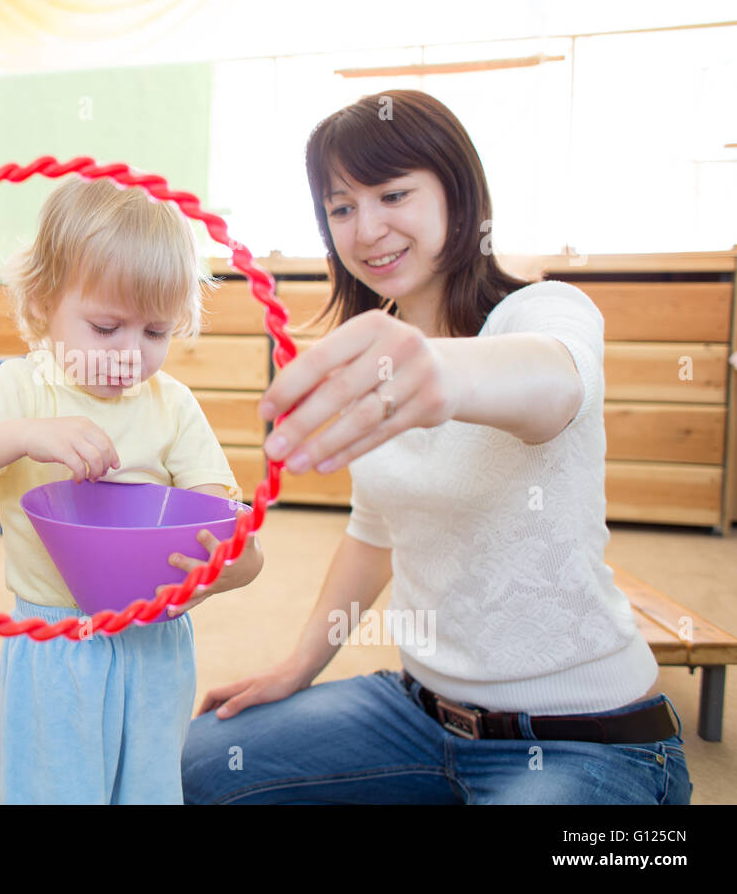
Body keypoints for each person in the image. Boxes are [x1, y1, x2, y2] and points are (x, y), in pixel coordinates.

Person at [180, 90, 692, 804]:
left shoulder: (543, 311)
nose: (367, 230)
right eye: (342, 208)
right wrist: (297, 666)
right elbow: (373, 535)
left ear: (458, 193)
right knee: (207, 761)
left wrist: (439, 371)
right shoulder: (376, 360)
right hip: (417, 718)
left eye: (393, 194)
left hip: (587, 739)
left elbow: (555, 388)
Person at [0, 177, 265, 804]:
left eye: (155, 333)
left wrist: (227, 561)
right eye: (105, 327)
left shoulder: (172, 405)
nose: (129, 354)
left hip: (155, 643)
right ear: (42, 304)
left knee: (150, 790)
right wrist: (22, 436)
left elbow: (227, 533)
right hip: (56, 644)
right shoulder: (22, 389)